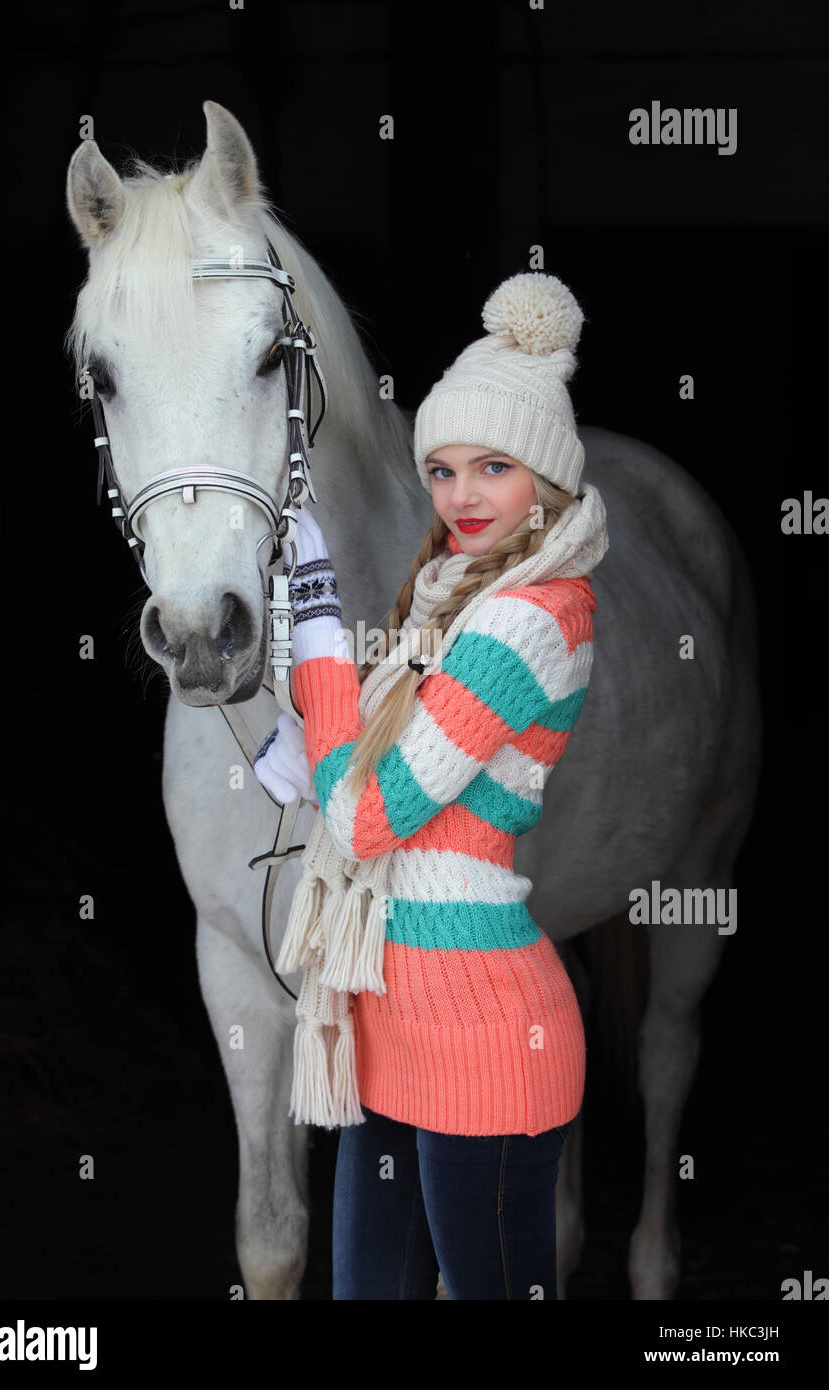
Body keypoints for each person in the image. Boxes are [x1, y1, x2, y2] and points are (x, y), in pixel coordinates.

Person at [254, 271, 609, 1300]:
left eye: (494, 466)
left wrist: (316, 622)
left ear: (543, 480)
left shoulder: (529, 619)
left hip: (486, 1036)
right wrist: (320, 730)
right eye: (444, 468)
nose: (462, 495)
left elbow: (364, 814)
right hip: (387, 1016)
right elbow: (358, 760)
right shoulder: (450, 609)